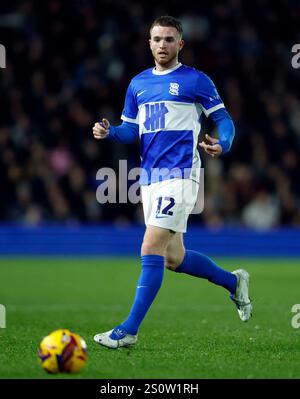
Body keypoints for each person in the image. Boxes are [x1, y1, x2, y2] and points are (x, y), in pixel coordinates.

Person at [92, 15, 252, 349]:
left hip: (181, 176)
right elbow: (130, 131)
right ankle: (234, 283)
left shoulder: (196, 81)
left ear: (181, 44)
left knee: (149, 247)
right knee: (172, 258)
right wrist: (110, 133)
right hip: (150, 179)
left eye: (169, 40)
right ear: (148, 43)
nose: (162, 45)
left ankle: (129, 330)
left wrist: (224, 143)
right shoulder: (138, 84)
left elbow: (224, 120)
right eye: (156, 39)